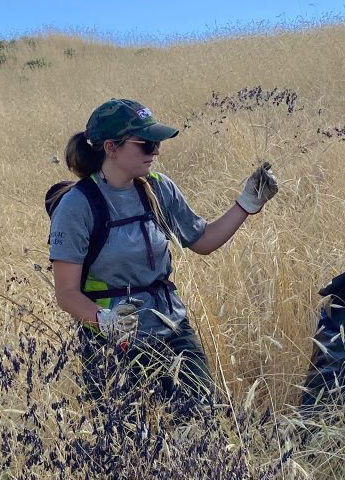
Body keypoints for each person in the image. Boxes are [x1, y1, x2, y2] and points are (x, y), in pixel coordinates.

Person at [49, 98, 279, 402]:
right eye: (145, 143)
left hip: (172, 328)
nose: (156, 150)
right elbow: (66, 293)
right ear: (111, 148)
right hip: (112, 342)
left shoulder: (158, 187)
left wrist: (246, 205)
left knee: (202, 420)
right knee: (129, 440)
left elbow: (203, 241)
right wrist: (106, 322)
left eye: (157, 142)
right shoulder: (77, 205)